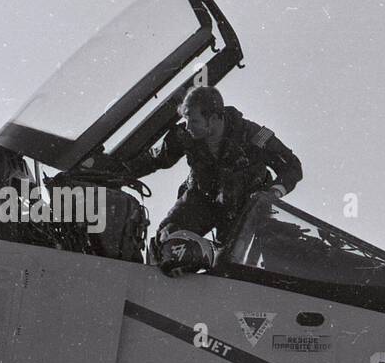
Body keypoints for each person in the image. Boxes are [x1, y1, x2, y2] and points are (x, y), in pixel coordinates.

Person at [127, 85, 302, 273]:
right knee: (166, 240)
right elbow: (156, 158)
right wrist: (122, 170)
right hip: (202, 198)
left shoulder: (253, 136)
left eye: (194, 121)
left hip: (244, 208)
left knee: (229, 265)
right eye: (186, 120)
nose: (188, 126)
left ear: (213, 118)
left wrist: (273, 193)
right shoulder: (185, 135)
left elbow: (292, 166)